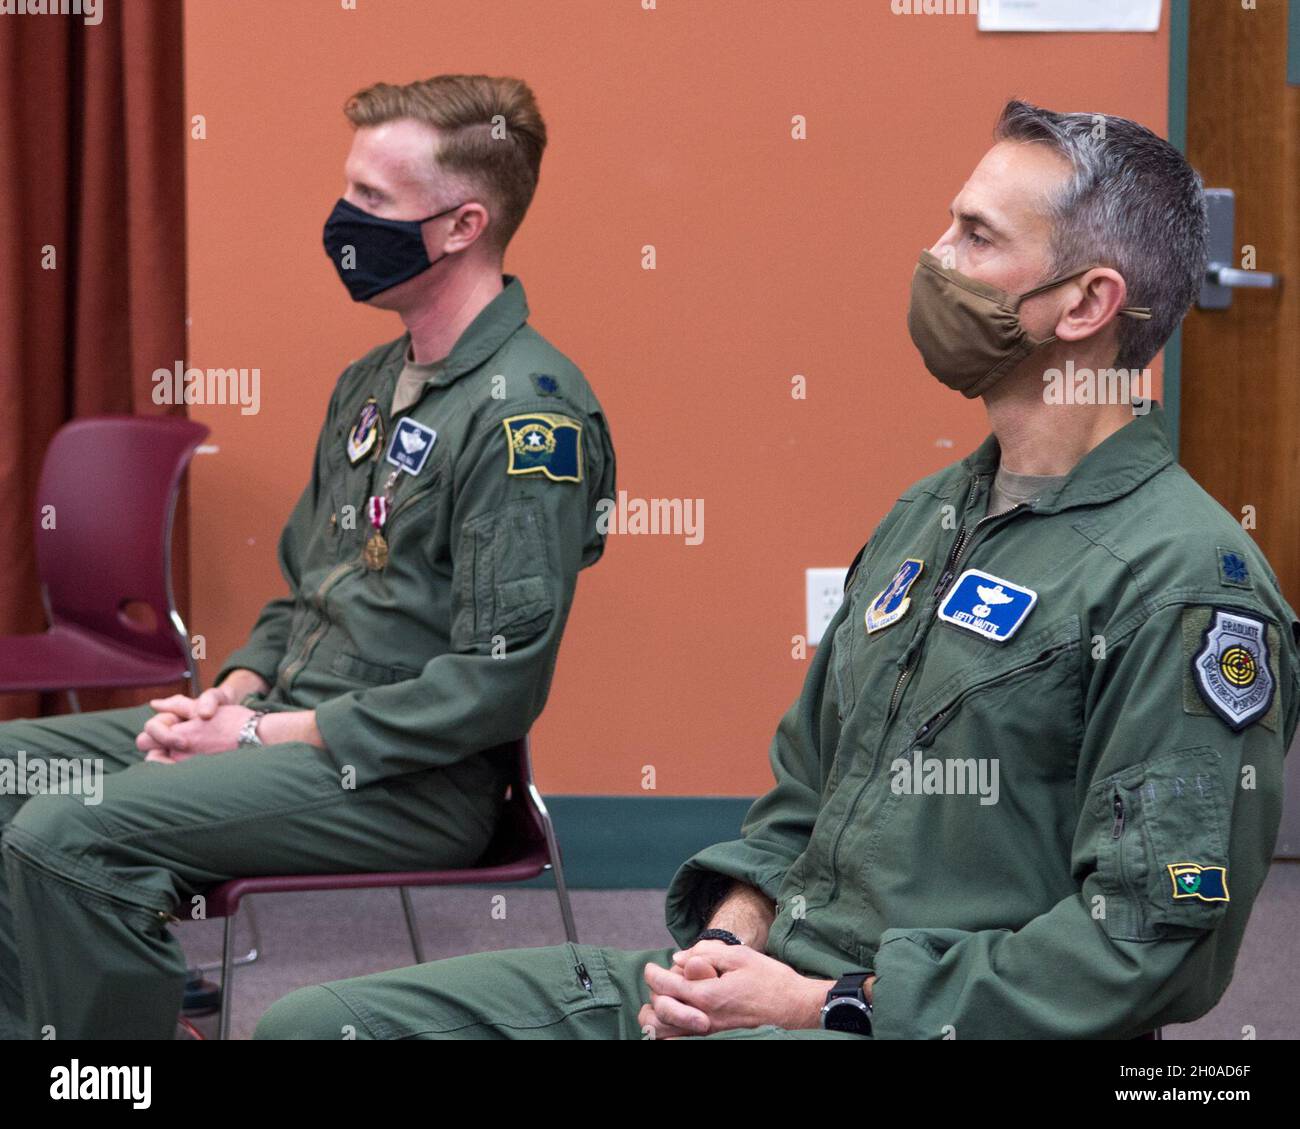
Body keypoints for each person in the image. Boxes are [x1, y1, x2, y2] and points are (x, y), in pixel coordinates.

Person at [256, 100, 1297, 1041]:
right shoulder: (928, 515)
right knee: (319, 1027)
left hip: (903, 1020)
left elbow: (1145, 945)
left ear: (1084, 305)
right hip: (775, 984)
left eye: (975, 237)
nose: (933, 256)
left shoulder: (1186, 588)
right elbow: (806, 791)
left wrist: (824, 1002)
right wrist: (731, 943)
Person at [0, 72, 615, 1040]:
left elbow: (489, 691)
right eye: (350, 190)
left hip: (408, 781)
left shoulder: (525, 416)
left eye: (372, 200)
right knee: (10, 775)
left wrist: (249, 739)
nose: (342, 219)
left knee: (62, 831)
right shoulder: (371, 380)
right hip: (283, 726)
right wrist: (232, 696)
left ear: (461, 226)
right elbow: (309, 593)